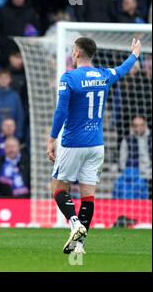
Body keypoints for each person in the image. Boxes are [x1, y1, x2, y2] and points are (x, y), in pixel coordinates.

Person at [47, 37, 142, 255]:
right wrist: (135, 54)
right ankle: (79, 246)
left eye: (73, 50)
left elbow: (61, 111)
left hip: (73, 143)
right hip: (97, 145)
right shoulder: (103, 75)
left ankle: (74, 224)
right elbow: (123, 69)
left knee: (59, 188)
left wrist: (52, 139)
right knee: (88, 194)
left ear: (77, 53)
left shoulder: (69, 78)